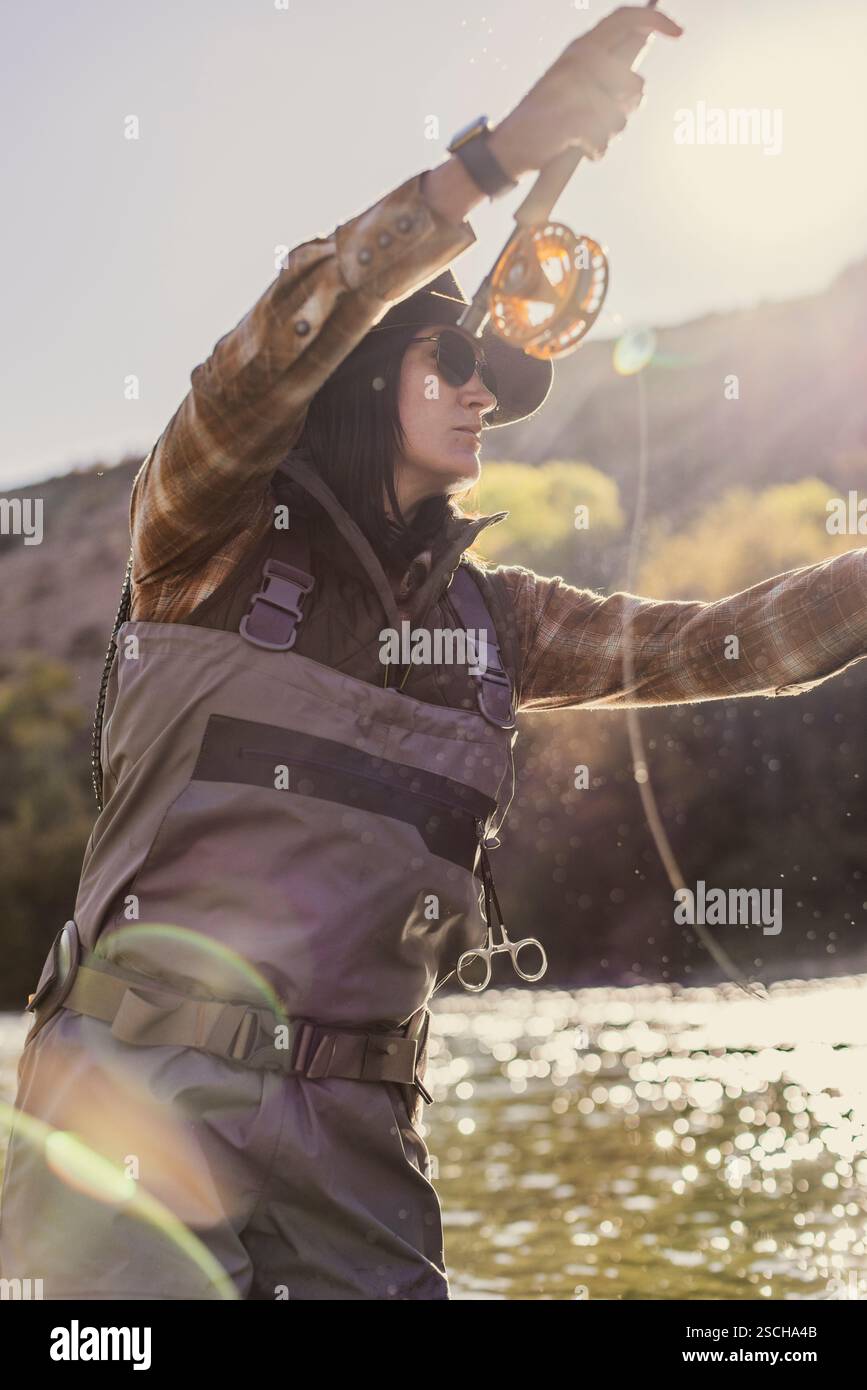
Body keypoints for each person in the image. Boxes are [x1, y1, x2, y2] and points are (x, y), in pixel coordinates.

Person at [1, 6, 865, 1301]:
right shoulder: (203, 528)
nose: (480, 392)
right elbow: (289, 330)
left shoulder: (497, 622)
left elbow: (735, 643)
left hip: (362, 1148)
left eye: (492, 376)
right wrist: (497, 156)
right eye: (445, 361)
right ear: (360, 384)